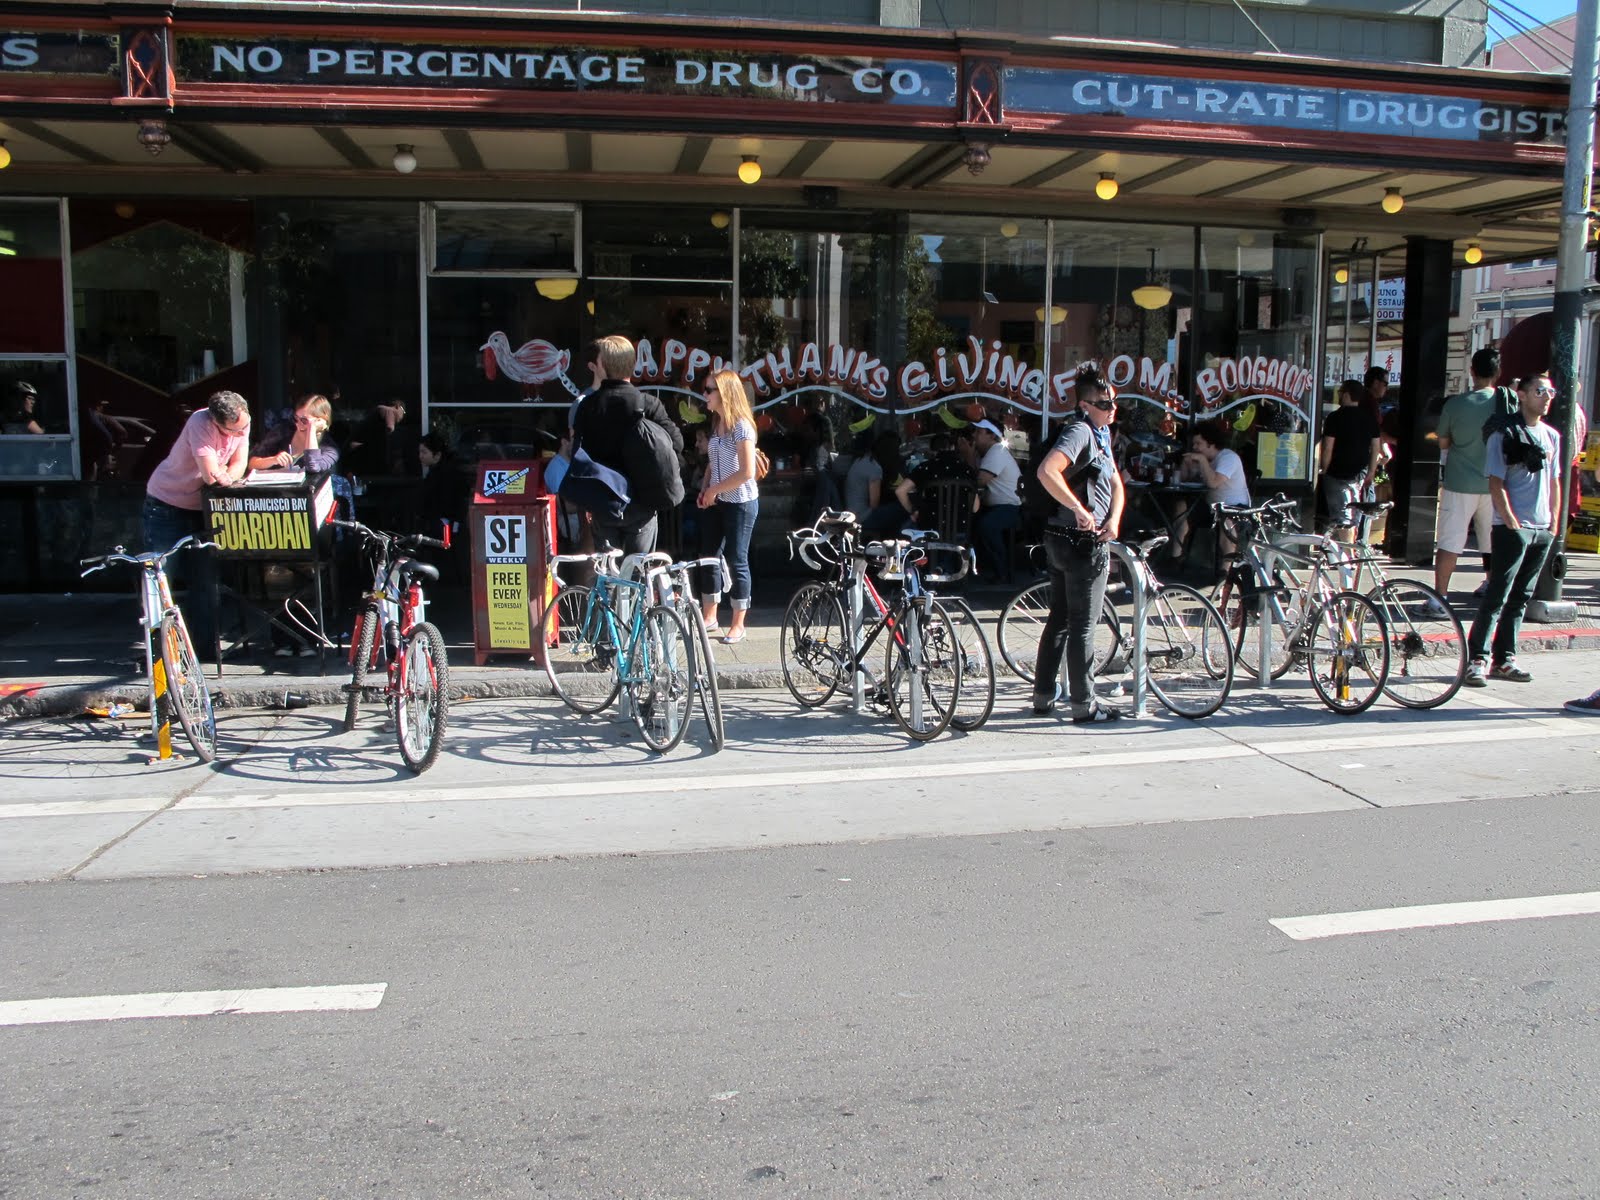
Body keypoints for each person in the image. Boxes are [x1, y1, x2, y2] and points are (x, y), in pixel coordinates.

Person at [1031, 367, 1125, 724]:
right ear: (1085, 405)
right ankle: (1084, 704)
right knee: (1082, 623)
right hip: (1079, 541)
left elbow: (1116, 483)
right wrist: (1079, 508)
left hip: (1066, 538)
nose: (1112, 409)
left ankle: (1043, 696)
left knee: (1059, 619)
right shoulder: (1080, 431)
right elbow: (1047, 471)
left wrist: (1113, 519)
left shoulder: (1101, 434)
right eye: (1104, 404)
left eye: (1115, 402)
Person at [1463, 373, 1563, 688]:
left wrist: (1554, 520)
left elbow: (1554, 480)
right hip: (1513, 527)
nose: (1546, 397)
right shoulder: (1504, 433)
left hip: (1541, 525)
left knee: (1521, 596)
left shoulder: (1551, 436)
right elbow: (1496, 480)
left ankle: (1504, 658)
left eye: (1550, 392)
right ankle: (1476, 659)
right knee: (1498, 594)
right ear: (1521, 394)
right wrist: (1508, 518)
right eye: (1539, 391)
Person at [142, 390, 252, 654]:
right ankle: (160, 653)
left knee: (206, 581)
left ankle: (203, 650)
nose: (239, 434)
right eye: (231, 432)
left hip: (204, 507)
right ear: (215, 422)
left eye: (244, 428)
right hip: (167, 503)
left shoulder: (242, 420)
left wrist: (228, 474)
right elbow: (211, 475)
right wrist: (224, 476)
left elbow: (239, 463)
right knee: (162, 578)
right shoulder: (199, 423)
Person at [571, 334, 683, 555]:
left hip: (604, 503)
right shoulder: (647, 404)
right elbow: (676, 443)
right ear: (632, 365)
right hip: (644, 502)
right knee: (637, 576)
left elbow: (579, 455)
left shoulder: (588, 407)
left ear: (602, 365)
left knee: (609, 576)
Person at [696, 369, 760, 644]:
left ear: (724, 394)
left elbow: (747, 472)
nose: (705, 395)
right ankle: (710, 615)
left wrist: (714, 490)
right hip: (717, 499)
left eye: (709, 390)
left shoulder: (742, 427)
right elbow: (713, 460)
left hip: (740, 502)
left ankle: (738, 621)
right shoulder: (717, 424)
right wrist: (706, 486)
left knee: (737, 559)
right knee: (709, 555)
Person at [1433, 347, 1501, 603]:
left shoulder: (1456, 404)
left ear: (1472, 372)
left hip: (1460, 480)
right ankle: (1491, 585)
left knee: (1451, 540)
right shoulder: (1506, 403)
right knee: (1491, 539)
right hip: (1496, 482)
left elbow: (1442, 442)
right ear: (1498, 373)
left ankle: (1439, 596)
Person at [1176, 419, 1250, 559]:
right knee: (1180, 507)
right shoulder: (1203, 459)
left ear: (1211, 443)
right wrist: (1185, 465)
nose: (1195, 448)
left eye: (1199, 444)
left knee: (1226, 521)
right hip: (1211, 508)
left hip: (1234, 508)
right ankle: (1175, 555)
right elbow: (1185, 481)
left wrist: (1203, 462)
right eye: (1194, 444)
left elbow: (1213, 483)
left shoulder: (1228, 458)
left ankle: (1225, 571)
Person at [1319, 379, 1381, 543]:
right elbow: (1376, 447)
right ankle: (1347, 552)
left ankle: (1346, 558)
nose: (1339, 395)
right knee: (1352, 514)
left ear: (1346, 395)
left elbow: (1328, 448)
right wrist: (1371, 472)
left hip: (1337, 472)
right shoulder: (1369, 418)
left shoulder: (1335, 417)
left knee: (1342, 518)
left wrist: (1323, 469)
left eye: (1340, 393)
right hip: (1359, 474)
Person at [969, 419, 1022, 584]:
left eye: (979, 432)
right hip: (995, 506)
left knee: (987, 526)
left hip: (1009, 508)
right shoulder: (989, 453)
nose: (974, 436)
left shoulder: (997, 451)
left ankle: (1002, 571)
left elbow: (979, 480)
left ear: (991, 435)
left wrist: (968, 456)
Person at [248, 393, 340, 474]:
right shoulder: (283, 431)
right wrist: (273, 460)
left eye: (304, 421)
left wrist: (311, 428)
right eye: (296, 419)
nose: (298, 425)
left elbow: (313, 467)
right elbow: (251, 463)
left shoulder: (329, 449)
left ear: (322, 421)